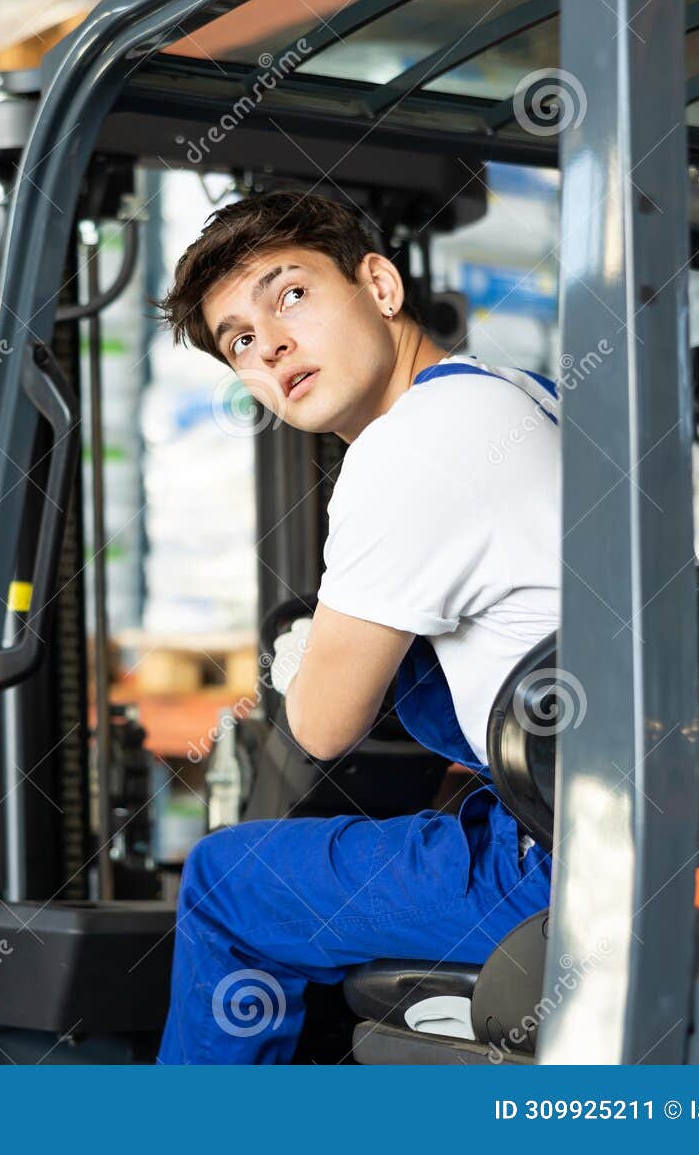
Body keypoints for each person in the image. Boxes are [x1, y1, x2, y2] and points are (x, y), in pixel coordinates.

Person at [153, 190, 558, 1063]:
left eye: (290, 294)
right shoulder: (525, 395)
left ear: (379, 283)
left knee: (227, 883)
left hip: (563, 868)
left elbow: (323, 728)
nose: (272, 346)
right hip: (647, 825)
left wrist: (306, 664)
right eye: (241, 343)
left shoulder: (404, 448)